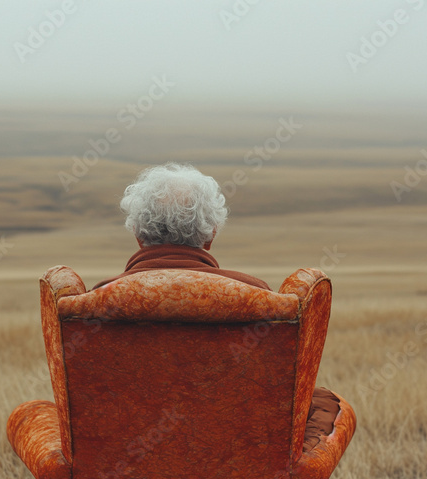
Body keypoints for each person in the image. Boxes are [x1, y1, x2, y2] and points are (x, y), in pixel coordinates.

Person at [93, 162, 340, 452]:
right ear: (211, 235)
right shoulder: (257, 296)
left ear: (137, 234)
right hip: (238, 470)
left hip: (121, 475)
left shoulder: (96, 301)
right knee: (323, 402)